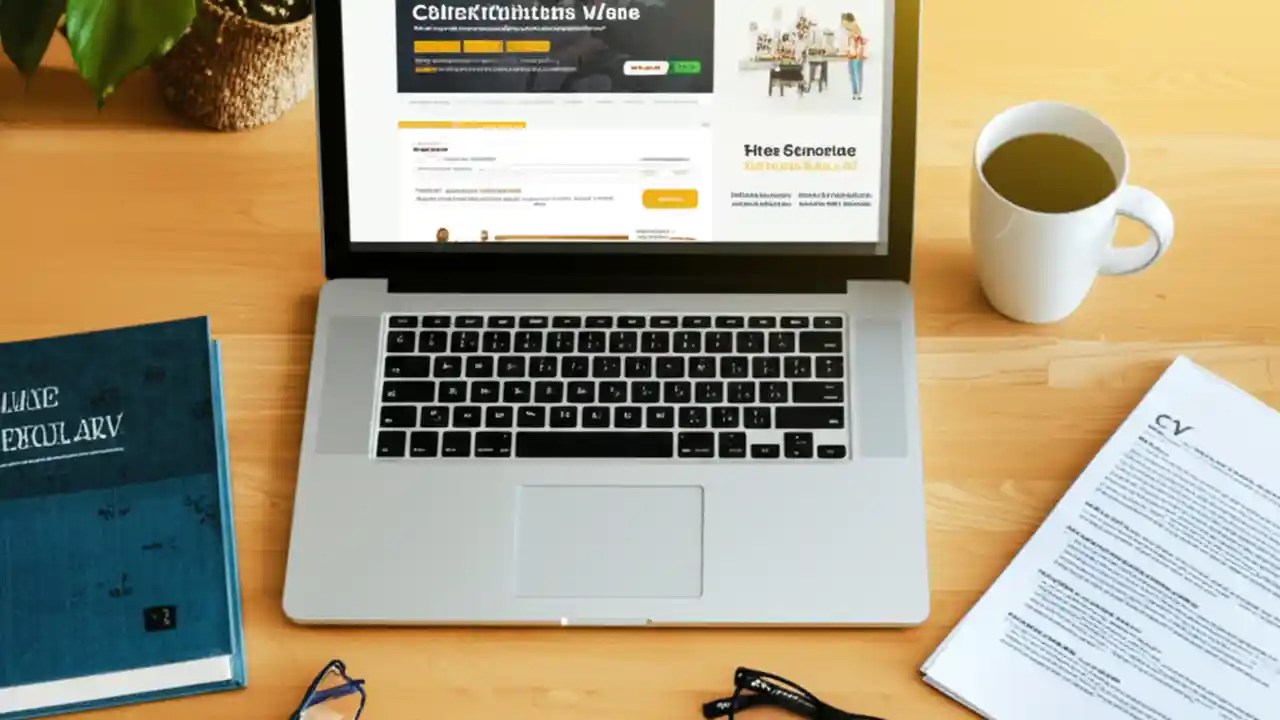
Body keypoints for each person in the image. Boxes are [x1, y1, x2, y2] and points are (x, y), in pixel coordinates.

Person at [841, 12, 867, 99]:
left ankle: (858, 93)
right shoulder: (848, 30)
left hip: (857, 54)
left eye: (845, 22)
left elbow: (859, 39)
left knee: (857, 74)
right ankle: (855, 92)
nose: (845, 25)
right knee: (852, 74)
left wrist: (852, 35)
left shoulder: (855, 27)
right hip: (851, 54)